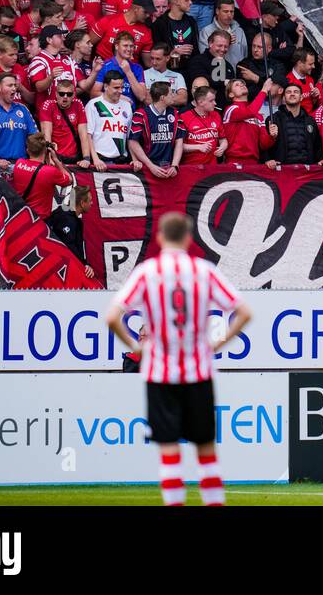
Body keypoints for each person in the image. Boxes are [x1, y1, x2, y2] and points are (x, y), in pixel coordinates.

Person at [105, 212, 252, 507]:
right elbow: (244, 312)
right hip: (198, 370)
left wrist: (138, 346)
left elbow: (112, 317)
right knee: (207, 453)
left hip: (160, 373)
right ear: (188, 239)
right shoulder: (203, 270)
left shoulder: (148, 271)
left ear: (159, 238)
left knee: (169, 454)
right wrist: (218, 342)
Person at [9, 132, 72, 218]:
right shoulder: (50, 172)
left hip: (21, 215)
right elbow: (69, 180)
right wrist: (56, 160)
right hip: (40, 219)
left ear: (27, 150)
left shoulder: (19, 163)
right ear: (45, 150)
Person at [87, 72, 135, 169]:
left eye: (122, 87)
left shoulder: (127, 106)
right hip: (100, 161)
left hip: (121, 161)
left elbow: (129, 137)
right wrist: (95, 159)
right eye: (116, 88)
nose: (120, 91)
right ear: (105, 86)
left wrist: (134, 159)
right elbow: (88, 135)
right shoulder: (93, 105)